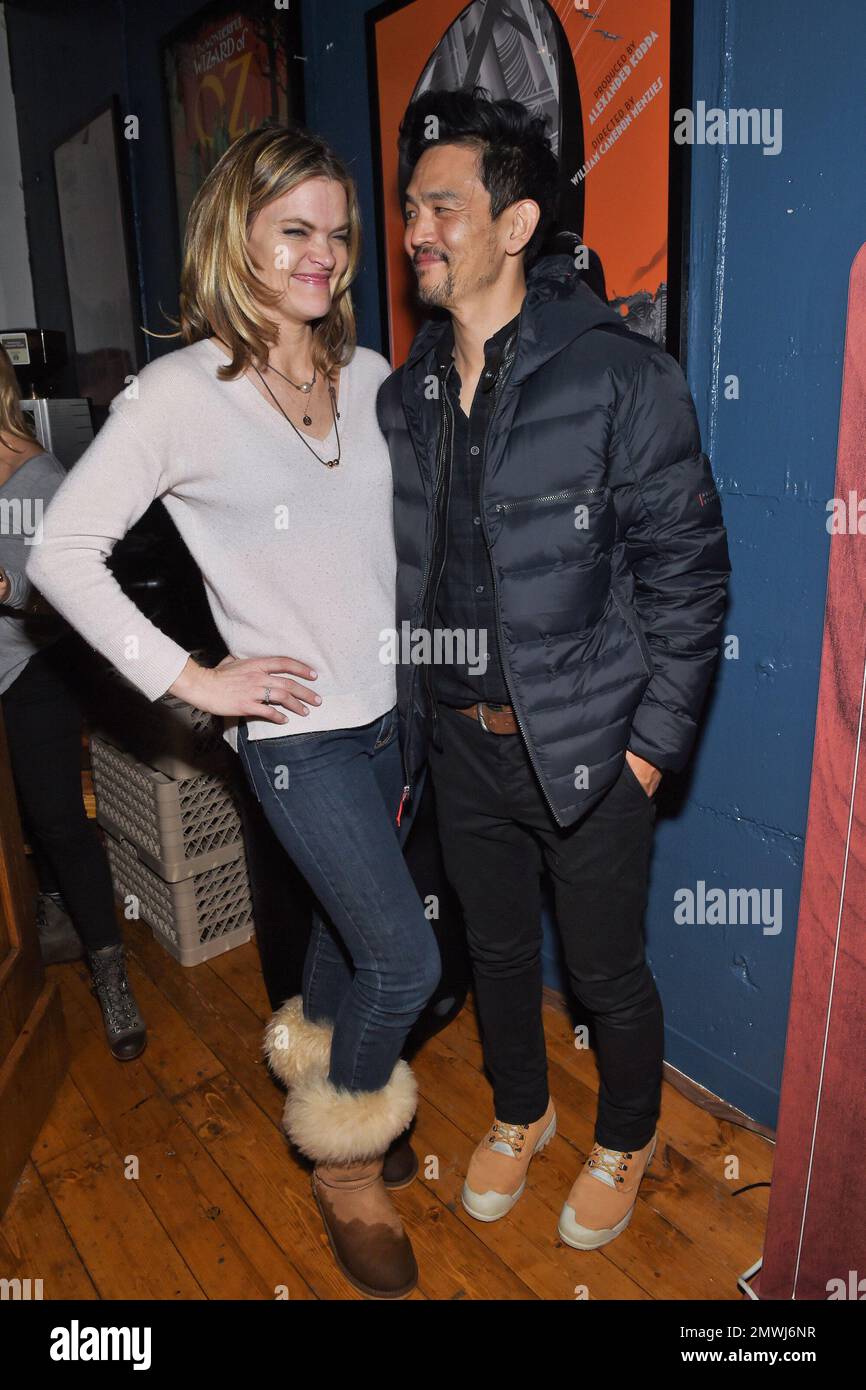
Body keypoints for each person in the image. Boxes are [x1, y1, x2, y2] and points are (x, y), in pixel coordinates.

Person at [26, 124, 441, 1299]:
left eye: (339, 231)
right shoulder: (180, 394)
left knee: (337, 941)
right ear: (236, 240)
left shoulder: (365, 377)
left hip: (387, 718)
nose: (325, 254)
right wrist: (196, 679)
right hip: (295, 736)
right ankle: (343, 1159)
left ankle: (328, 1066)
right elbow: (57, 551)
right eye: (294, 230)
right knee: (403, 962)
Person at [376, 88, 731, 1251]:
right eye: (410, 205)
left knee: (603, 973)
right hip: (454, 741)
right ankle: (520, 1111)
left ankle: (621, 1135)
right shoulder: (403, 395)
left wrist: (646, 751)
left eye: (443, 203)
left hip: (584, 745)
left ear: (515, 224)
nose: (416, 226)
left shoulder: (623, 377)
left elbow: (687, 579)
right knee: (488, 951)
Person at [0, 345, 146, 1059]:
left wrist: (6, 589)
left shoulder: (39, 476)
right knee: (19, 823)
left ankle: (110, 968)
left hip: (35, 673)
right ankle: (48, 921)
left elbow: (61, 597)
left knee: (58, 821)